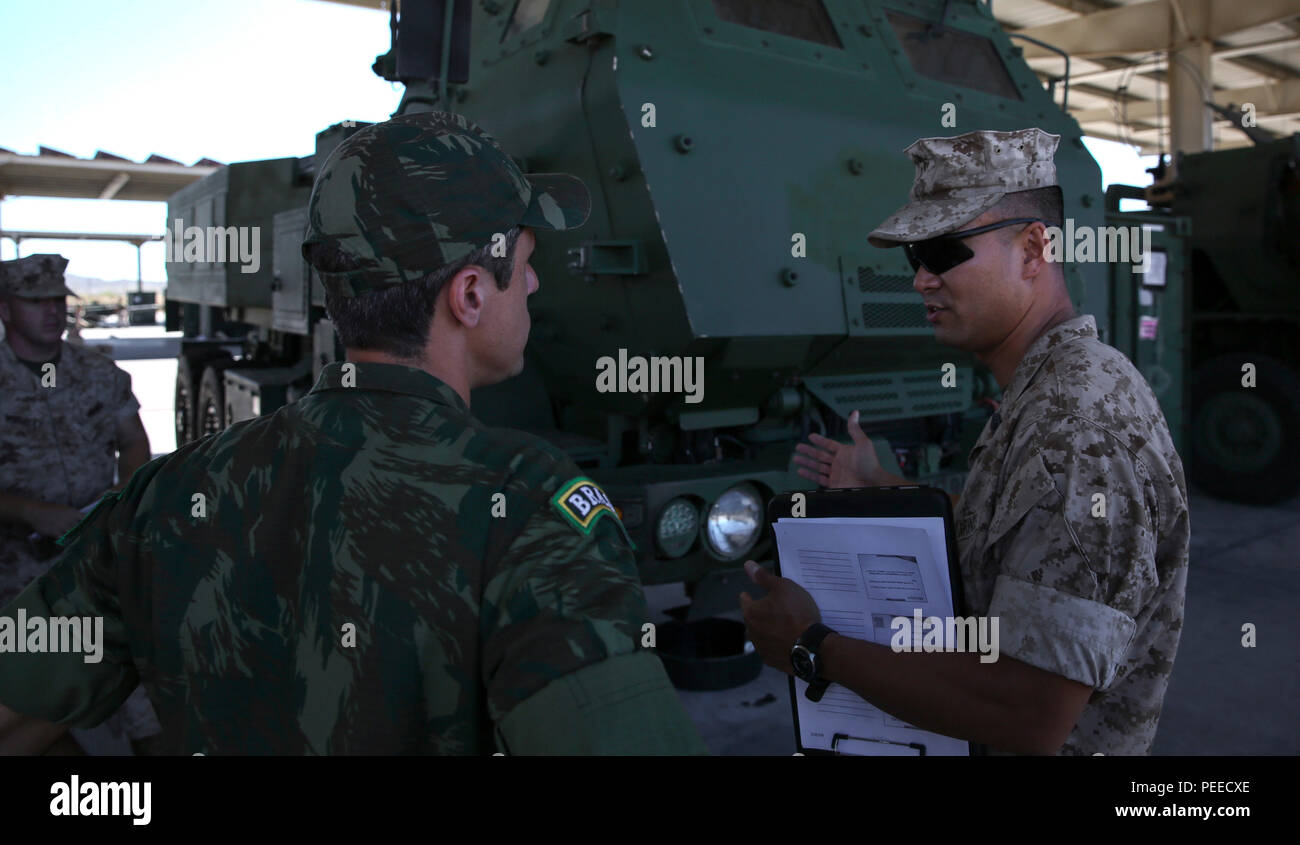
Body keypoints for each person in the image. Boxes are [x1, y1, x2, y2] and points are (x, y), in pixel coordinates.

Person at [0, 112, 705, 755]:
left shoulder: (168, 493)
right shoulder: (532, 509)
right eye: (524, 266)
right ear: (468, 295)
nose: (534, 287)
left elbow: (17, 699)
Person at [742, 128, 1190, 755]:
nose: (923, 281)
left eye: (944, 253)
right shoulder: (1051, 391)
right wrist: (883, 488)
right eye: (914, 259)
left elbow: (1027, 715)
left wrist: (811, 646)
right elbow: (1008, 540)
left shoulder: (1077, 427)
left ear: (1033, 250)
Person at [0, 253, 159, 754]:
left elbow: (134, 440)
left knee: (131, 691)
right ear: (6, 309)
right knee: (40, 696)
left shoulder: (99, 373)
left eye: (57, 300)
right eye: (35, 301)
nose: (52, 310)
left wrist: (125, 490)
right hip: (19, 575)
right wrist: (30, 512)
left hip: (96, 561)